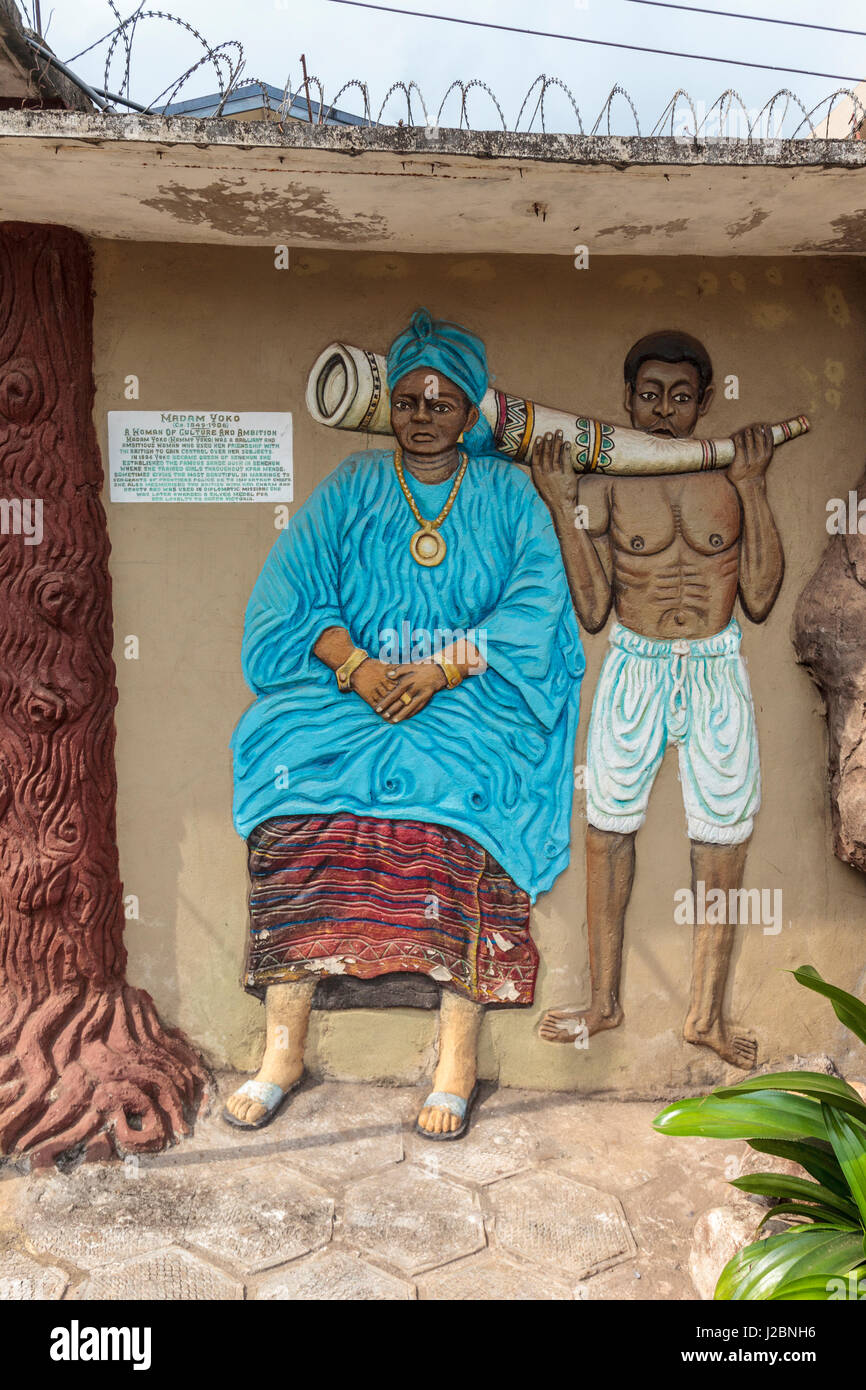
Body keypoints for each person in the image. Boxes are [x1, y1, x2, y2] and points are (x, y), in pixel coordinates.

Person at [225, 308, 584, 1135]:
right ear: (391, 407)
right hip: (350, 693)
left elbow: (536, 609)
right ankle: (284, 1049)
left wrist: (438, 668)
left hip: (466, 699)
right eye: (411, 399)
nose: (424, 414)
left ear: (470, 413)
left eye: (443, 401)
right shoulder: (351, 486)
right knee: (292, 801)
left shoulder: (505, 492)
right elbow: (288, 598)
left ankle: (455, 1059)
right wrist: (358, 667)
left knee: (467, 807)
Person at [532, 329, 782, 1069]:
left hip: (714, 665)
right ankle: (604, 1003)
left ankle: (706, 1014)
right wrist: (561, 502)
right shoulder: (604, 485)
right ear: (628, 399)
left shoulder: (732, 478)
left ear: (704, 401)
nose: (663, 411)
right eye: (649, 396)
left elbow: (762, 595)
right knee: (606, 829)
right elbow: (593, 609)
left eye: (680, 397)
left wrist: (756, 486)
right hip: (634, 665)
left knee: (724, 838)